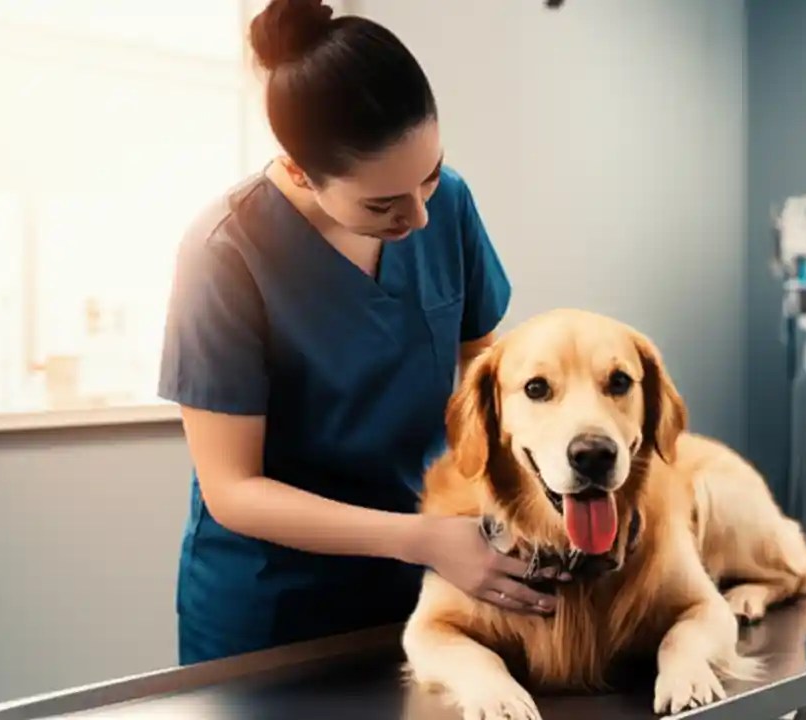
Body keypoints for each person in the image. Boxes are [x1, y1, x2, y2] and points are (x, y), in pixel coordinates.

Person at [158, 0, 557, 665]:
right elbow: (233, 490)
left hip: (422, 581)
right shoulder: (223, 253)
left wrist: (543, 489)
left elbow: (488, 378)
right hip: (272, 608)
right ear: (296, 171)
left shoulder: (445, 202)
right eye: (383, 203)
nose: (421, 217)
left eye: (429, 175)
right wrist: (424, 538)